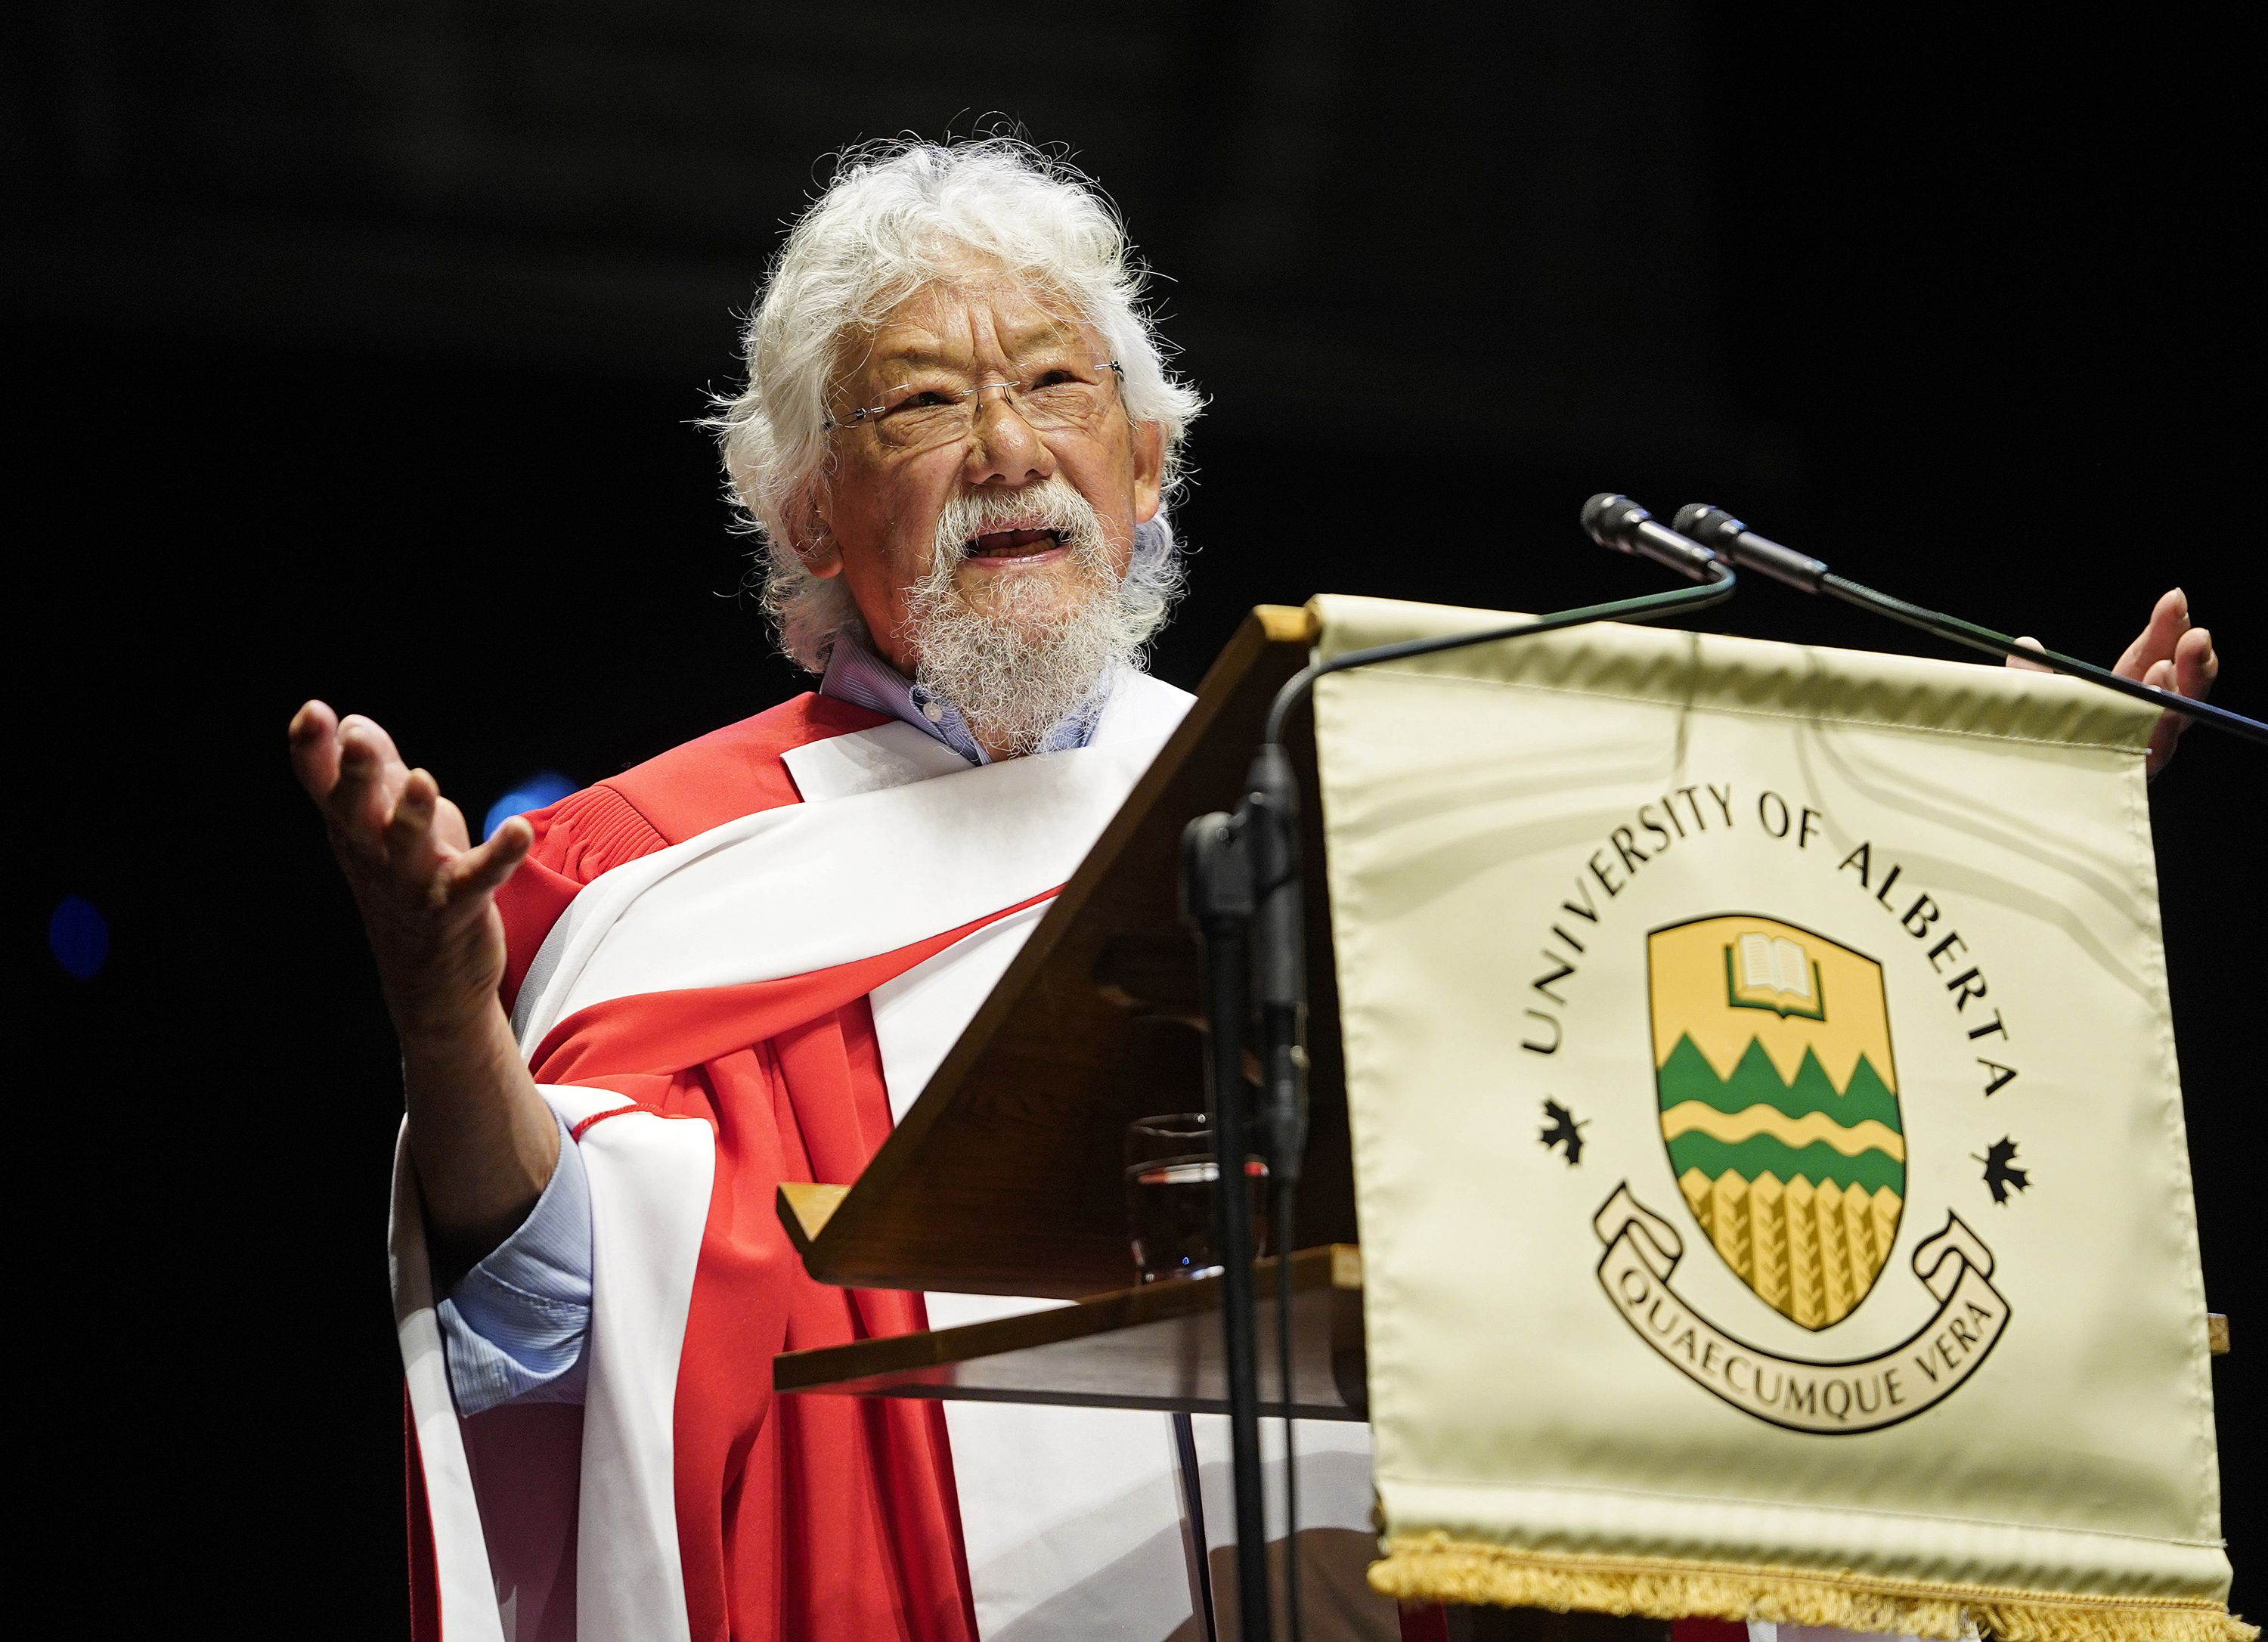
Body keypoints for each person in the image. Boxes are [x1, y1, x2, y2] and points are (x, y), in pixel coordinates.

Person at [287, 139, 2222, 1642]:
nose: (1007, 450)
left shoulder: (1363, 776)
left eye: (1056, 387)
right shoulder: (659, 867)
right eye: (920, 407)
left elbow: (1665, 1093)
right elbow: (554, 1336)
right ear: (808, 508)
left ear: (1146, 464)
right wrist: (449, 1024)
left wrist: (1991, 829)